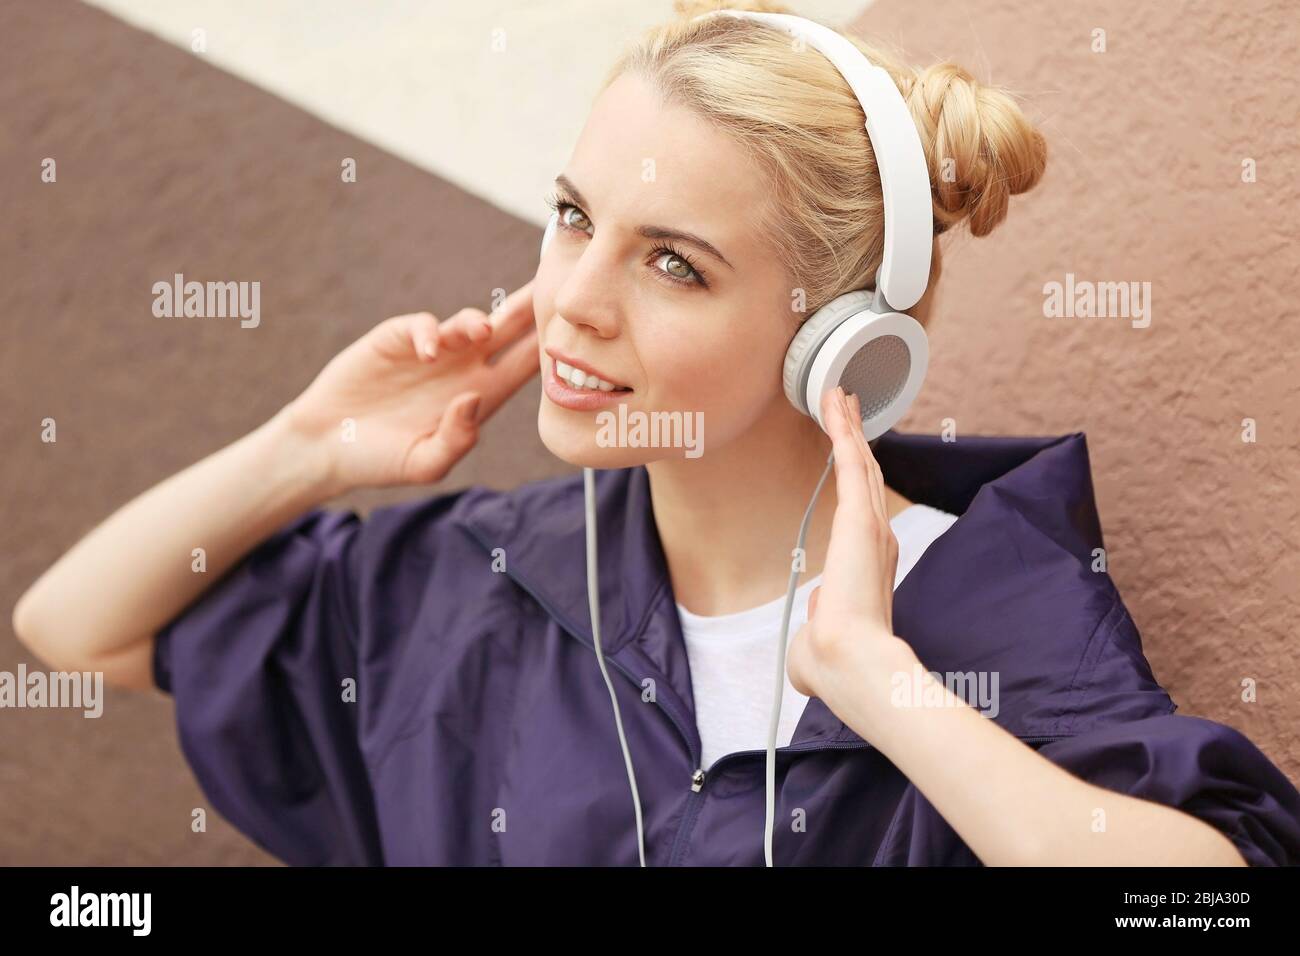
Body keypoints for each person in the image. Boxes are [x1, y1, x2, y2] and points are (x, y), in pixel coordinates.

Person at [14, 0, 1300, 866]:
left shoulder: (985, 602)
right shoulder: (482, 575)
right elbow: (76, 628)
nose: (573, 296)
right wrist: (308, 444)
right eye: (573, 216)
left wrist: (878, 682)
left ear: (839, 339)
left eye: (672, 264)